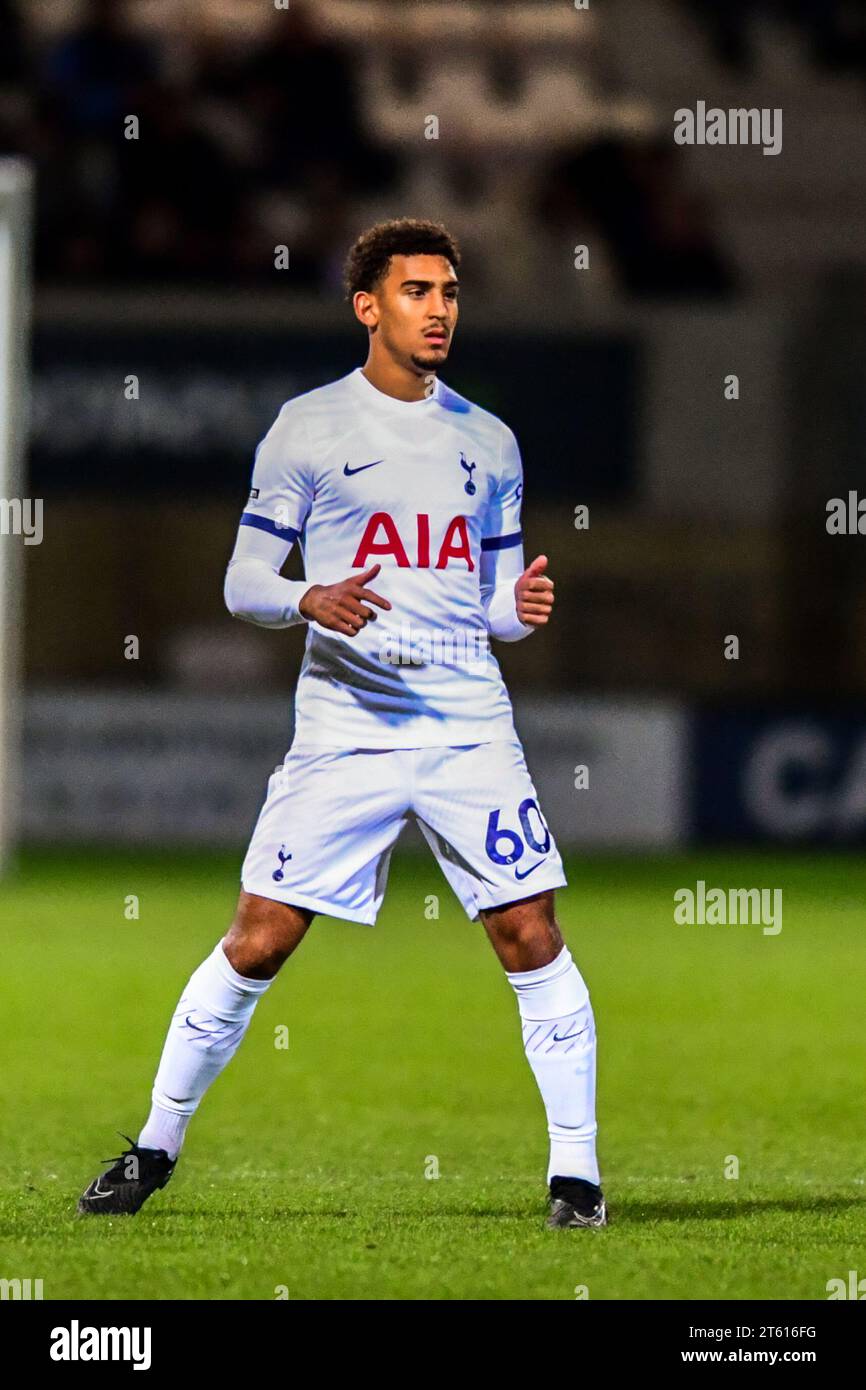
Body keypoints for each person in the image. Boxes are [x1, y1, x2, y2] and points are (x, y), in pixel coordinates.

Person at [78, 219, 605, 1231]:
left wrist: (517, 610)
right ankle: (152, 1147)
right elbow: (241, 582)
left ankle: (574, 1177)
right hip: (345, 728)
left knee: (528, 930)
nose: (439, 308)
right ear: (367, 306)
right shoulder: (307, 428)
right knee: (259, 938)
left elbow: (487, 601)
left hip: (465, 726)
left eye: (449, 290)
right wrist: (305, 597)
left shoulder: (489, 440)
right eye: (416, 291)